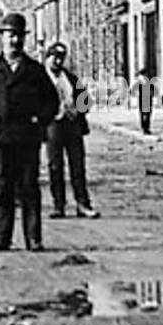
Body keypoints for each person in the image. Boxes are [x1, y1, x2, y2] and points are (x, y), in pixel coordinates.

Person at [0, 12, 59, 252]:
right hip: (1, 139)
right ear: (2, 38)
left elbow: (52, 101)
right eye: (10, 36)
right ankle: (1, 237)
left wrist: (40, 121)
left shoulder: (35, 70)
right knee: (2, 189)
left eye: (19, 36)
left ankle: (34, 238)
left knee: (29, 189)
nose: (15, 41)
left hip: (28, 139)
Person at [43, 43, 99, 219]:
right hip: (53, 125)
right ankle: (58, 205)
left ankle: (83, 204)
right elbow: (33, 103)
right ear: (47, 57)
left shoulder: (70, 78)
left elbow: (86, 101)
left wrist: (78, 109)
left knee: (78, 165)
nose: (58, 61)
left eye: (61, 58)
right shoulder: (40, 79)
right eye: (54, 57)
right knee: (55, 166)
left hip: (72, 125)